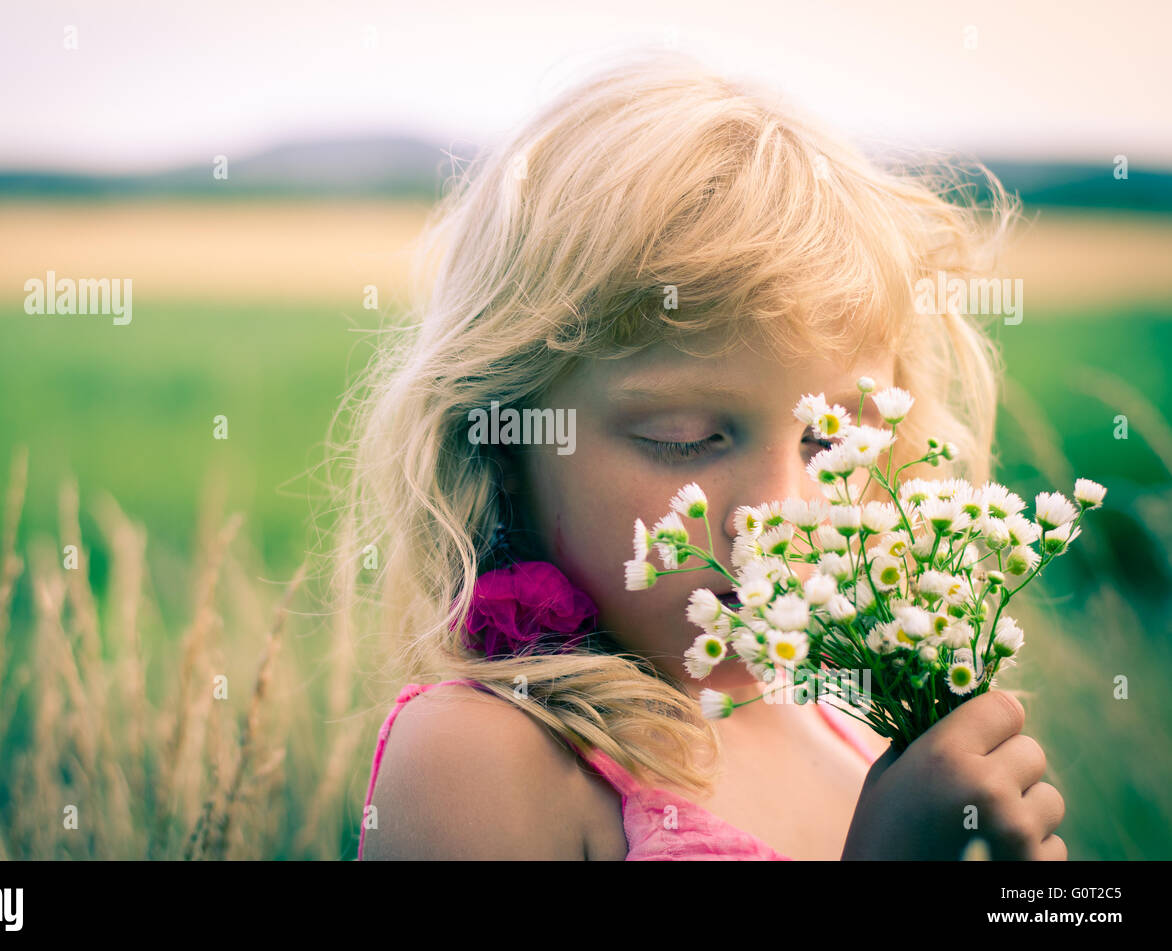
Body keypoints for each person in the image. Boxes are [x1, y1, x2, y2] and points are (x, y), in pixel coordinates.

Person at [337, 48, 1064, 860]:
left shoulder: (857, 727)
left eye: (831, 439)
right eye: (685, 438)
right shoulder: (484, 755)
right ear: (505, 441)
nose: (781, 516)